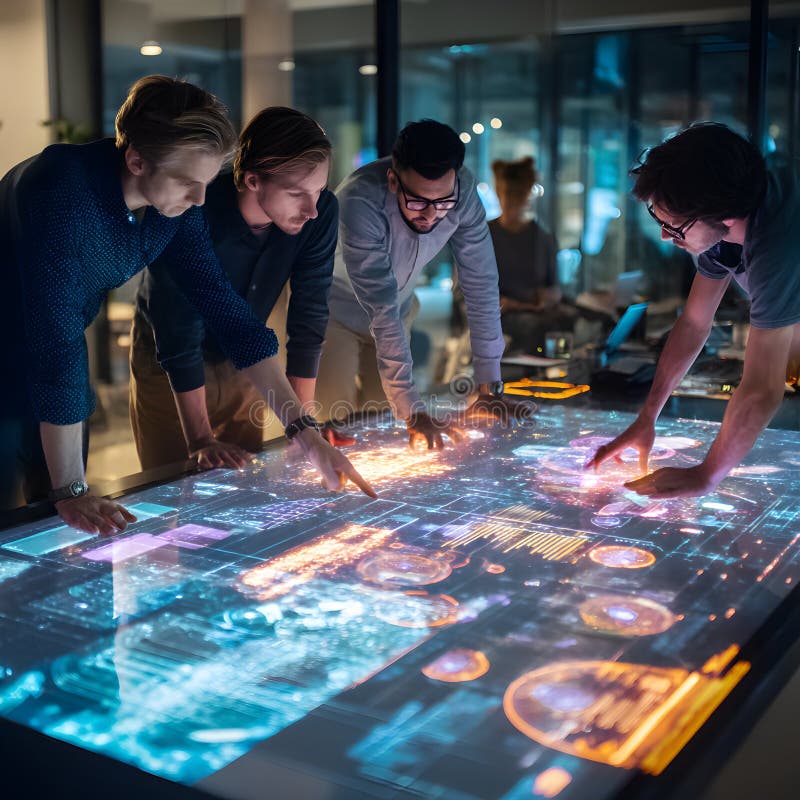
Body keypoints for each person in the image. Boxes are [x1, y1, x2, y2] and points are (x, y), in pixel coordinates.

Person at [0, 75, 373, 535]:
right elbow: (56, 341)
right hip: (16, 354)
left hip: (46, 363)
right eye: (187, 183)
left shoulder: (175, 208)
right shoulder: (59, 191)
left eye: (204, 182)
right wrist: (72, 489)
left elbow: (227, 312)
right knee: (30, 507)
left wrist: (305, 432)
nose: (200, 199)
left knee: (53, 523)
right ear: (136, 160)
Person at [131, 106, 351, 471]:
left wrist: (302, 427)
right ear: (252, 181)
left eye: (320, 190)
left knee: (244, 482)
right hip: (169, 360)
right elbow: (176, 327)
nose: (312, 209)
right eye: (297, 193)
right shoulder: (192, 203)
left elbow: (309, 315)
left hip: (249, 357)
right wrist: (199, 439)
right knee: (174, 485)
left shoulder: (319, 211)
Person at [587, 122, 800, 498]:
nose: (666, 237)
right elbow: (694, 323)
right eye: (659, 219)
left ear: (724, 214)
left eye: (676, 227)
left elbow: (761, 388)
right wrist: (647, 416)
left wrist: (706, 475)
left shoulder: (777, 246)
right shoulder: (721, 234)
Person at [315, 119, 534, 449]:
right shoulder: (358, 202)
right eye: (417, 202)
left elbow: (482, 285)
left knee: (386, 429)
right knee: (336, 424)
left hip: (399, 305)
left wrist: (489, 386)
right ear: (393, 180)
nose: (431, 216)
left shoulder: (463, 193)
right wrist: (413, 410)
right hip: (334, 309)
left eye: (443, 203)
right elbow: (381, 306)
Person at [489, 156, 574, 353]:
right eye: (507, 195)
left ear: (527, 196)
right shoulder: (483, 238)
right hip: (499, 316)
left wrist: (549, 297)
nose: (511, 202)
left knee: (574, 318)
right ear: (499, 194)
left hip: (537, 312)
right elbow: (466, 294)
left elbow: (553, 286)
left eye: (517, 196)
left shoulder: (542, 238)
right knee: (539, 327)